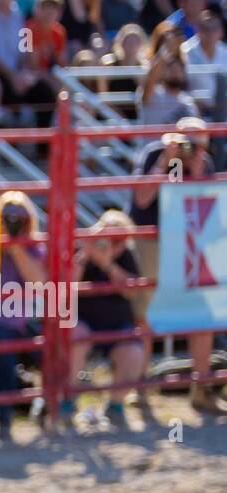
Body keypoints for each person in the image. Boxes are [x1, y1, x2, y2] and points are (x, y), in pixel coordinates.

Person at [129, 117, 227, 413]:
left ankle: (202, 389)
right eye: (187, 142)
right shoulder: (154, 154)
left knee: (203, 316)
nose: (192, 149)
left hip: (189, 244)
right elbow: (142, 198)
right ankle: (139, 388)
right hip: (153, 240)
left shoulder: (204, 163)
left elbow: (206, 209)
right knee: (145, 316)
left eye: (198, 144)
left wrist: (198, 173)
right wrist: (166, 161)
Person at [68, 211, 146, 431]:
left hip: (116, 324)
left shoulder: (126, 255)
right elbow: (65, 288)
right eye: (106, 235)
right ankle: (66, 403)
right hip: (83, 320)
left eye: (118, 240)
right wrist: (86, 254)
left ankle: (115, 407)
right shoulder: (83, 248)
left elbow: (131, 291)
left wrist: (108, 264)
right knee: (75, 336)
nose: (111, 244)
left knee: (133, 352)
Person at [0, 191, 47, 441]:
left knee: (53, 344)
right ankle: (3, 415)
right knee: (2, 345)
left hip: (19, 322)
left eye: (19, 217)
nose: (12, 221)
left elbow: (39, 281)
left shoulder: (31, 247)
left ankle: (47, 409)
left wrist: (14, 246)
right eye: (6, 216)